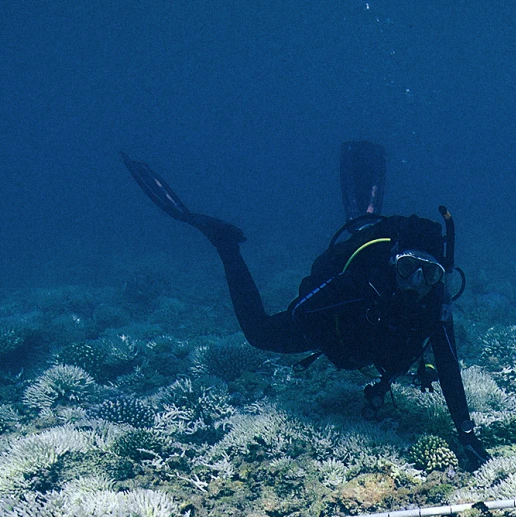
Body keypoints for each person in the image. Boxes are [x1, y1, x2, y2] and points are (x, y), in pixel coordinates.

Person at [122, 140, 488, 470]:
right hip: (334, 330)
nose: (416, 283)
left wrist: (467, 432)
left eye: (430, 275)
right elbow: (301, 311)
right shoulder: (363, 280)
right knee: (258, 334)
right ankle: (225, 244)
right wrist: (349, 309)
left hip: (371, 347)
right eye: (408, 268)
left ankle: (358, 217)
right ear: (394, 262)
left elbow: (449, 364)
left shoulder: (433, 304)